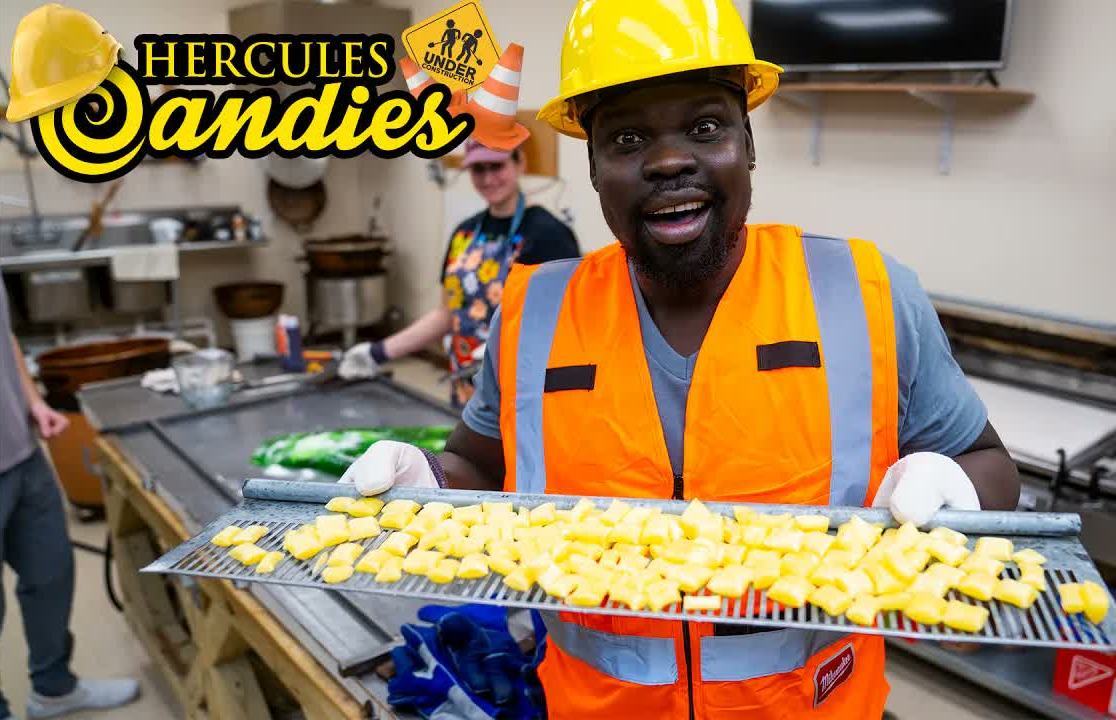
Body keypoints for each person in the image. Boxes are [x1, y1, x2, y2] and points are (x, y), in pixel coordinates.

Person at [342, 0, 1020, 716]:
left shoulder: (865, 294)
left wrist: (952, 481)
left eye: (704, 126)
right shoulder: (535, 312)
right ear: (595, 168)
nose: (669, 161)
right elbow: (481, 464)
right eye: (628, 137)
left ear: (748, 143)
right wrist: (434, 482)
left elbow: (991, 465)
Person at [339, 139, 581, 406]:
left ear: (519, 163)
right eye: (478, 169)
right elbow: (446, 315)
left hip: (524, 394)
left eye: (496, 166)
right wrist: (377, 352)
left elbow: (569, 323)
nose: (488, 178)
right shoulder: (464, 234)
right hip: (468, 390)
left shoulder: (550, 234)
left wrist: (507, 348)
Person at [0, 274, 140, 720]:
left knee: (51, 573)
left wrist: (32, 400)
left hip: (22, 454)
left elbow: (5, 335)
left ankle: (54, 687)